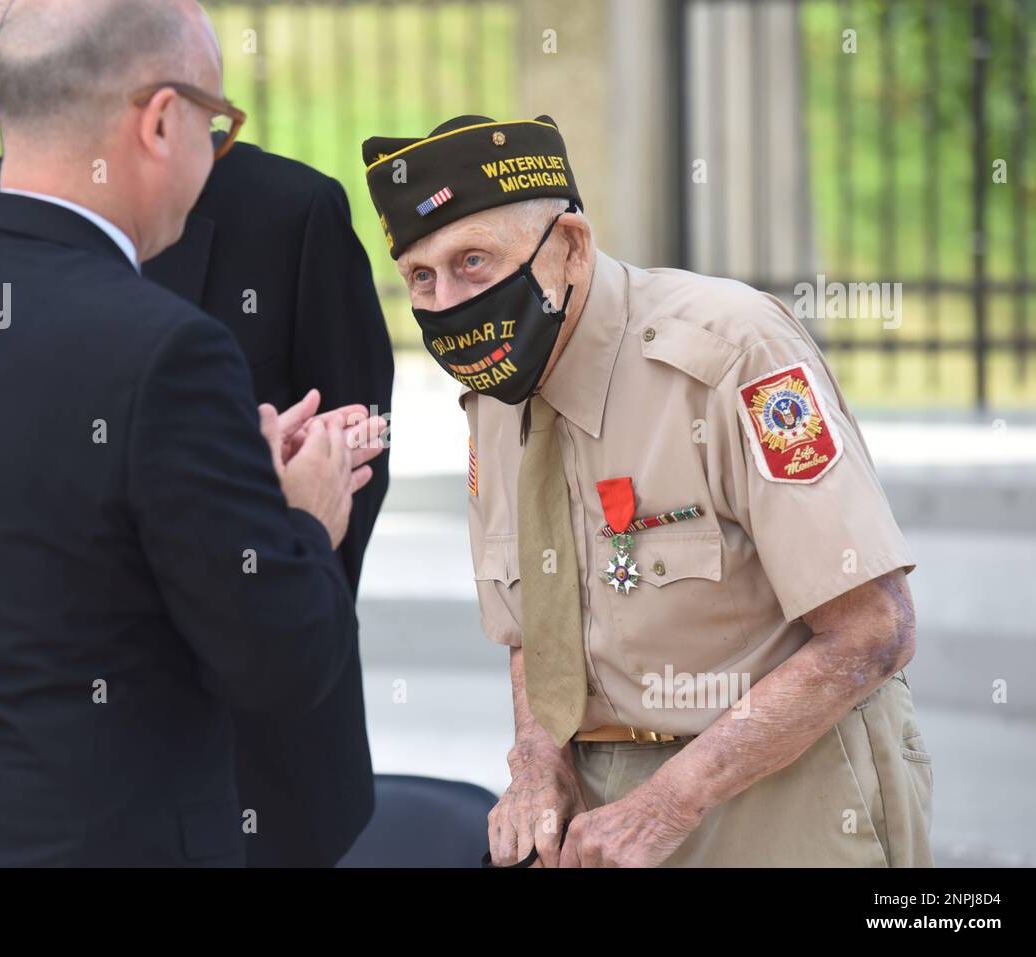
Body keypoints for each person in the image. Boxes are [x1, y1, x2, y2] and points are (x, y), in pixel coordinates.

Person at [0, 0, 382, 867]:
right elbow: (281, 658)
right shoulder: (169, 351)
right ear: (162, 121)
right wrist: (299, 517)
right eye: (216, 125)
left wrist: (231, 489)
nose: (217, 152)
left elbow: (30, 567)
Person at [361, 114, 933, 867]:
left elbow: (873, 630)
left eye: (473, 261)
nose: (446, 303)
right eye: (421, 278)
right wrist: (539, 760)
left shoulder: (732, 355)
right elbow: (537, 630)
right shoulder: (493, 400)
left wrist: (670, 800)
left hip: (788, 793)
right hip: (601, 817)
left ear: (569, 248)